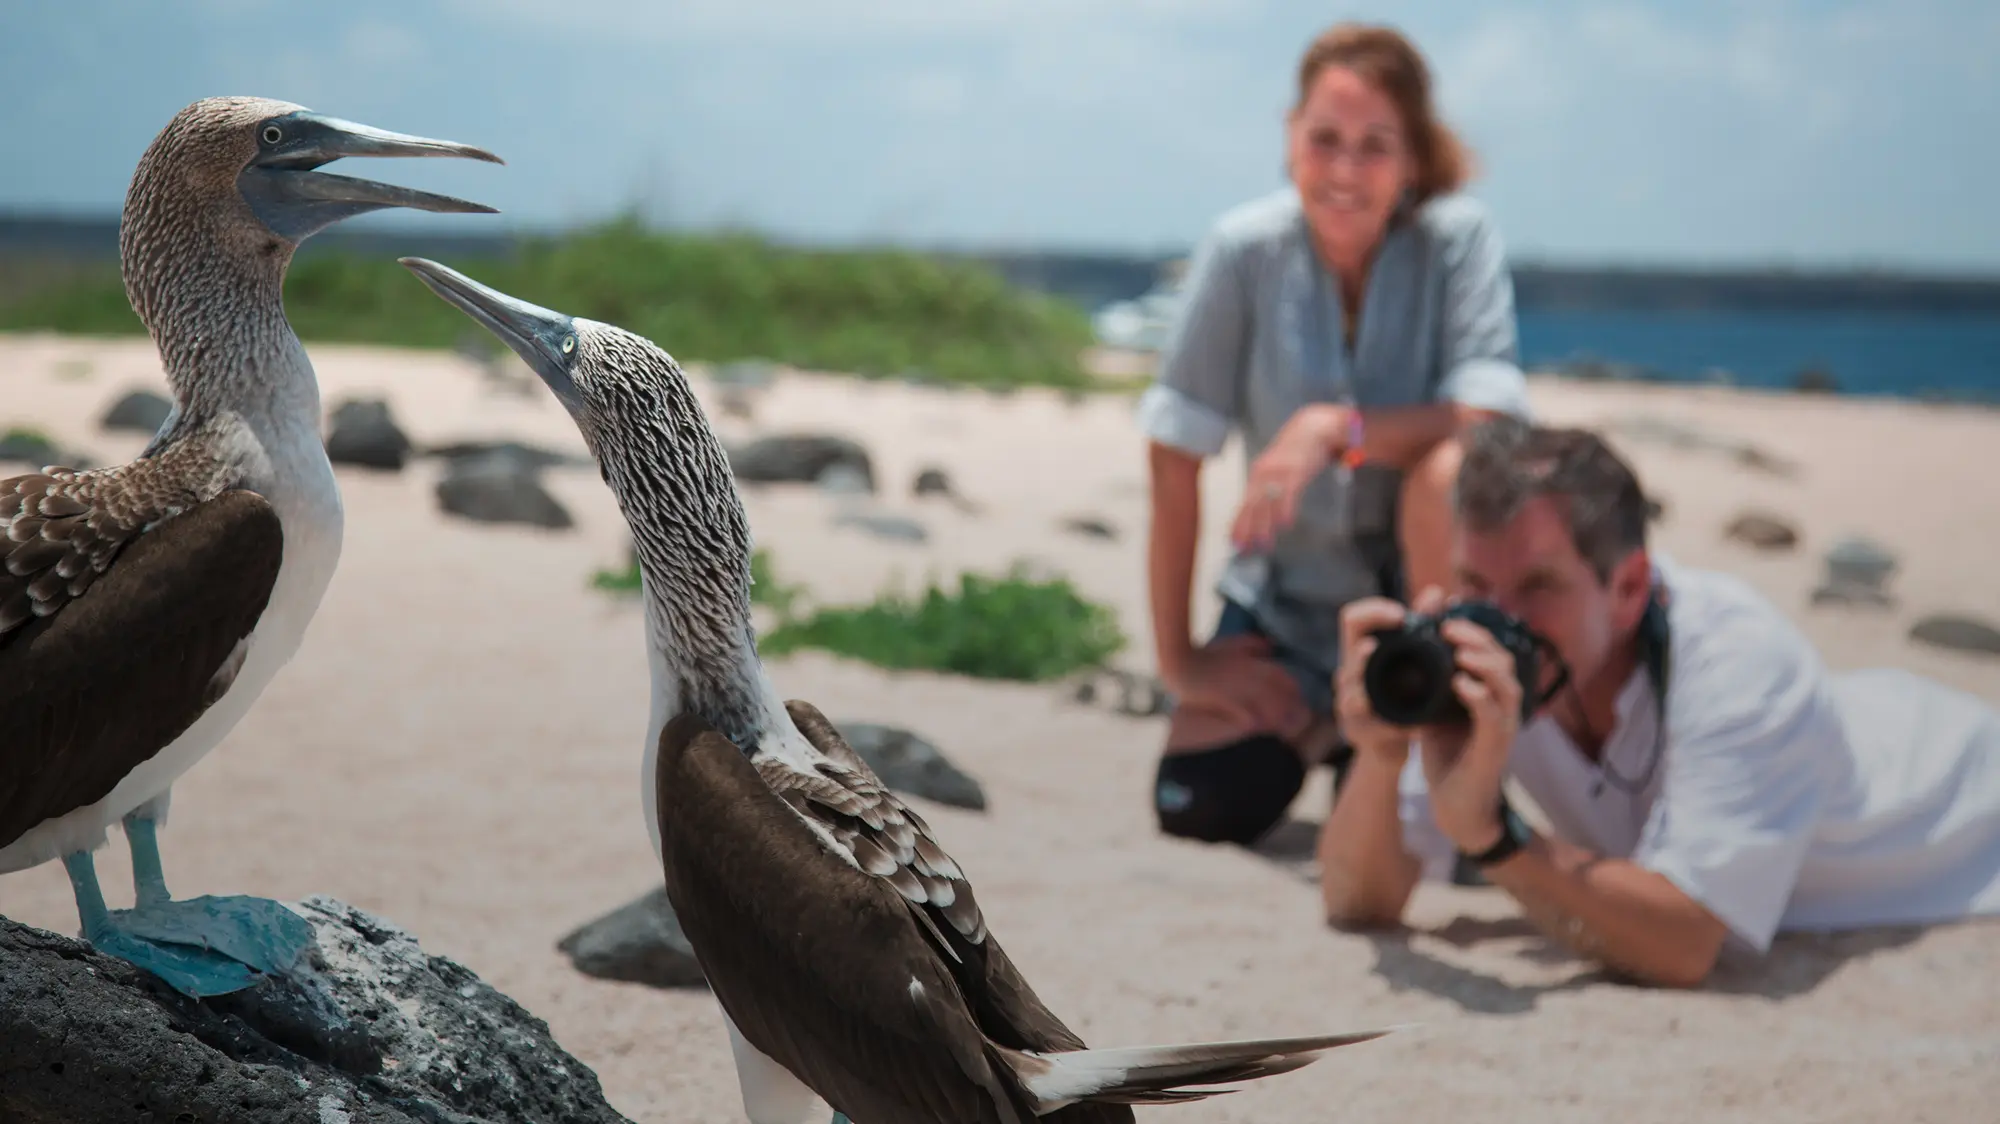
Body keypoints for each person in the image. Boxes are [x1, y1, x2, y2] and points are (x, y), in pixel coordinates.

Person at [1320, 416, 2000, 988]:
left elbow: (1684, 943)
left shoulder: (1739, 662)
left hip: (1963, 795)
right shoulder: (1480, 660)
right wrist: (1382, 755)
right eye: (1473, 582)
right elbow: (1358, 900)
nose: (1502, 621)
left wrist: (1494, 839)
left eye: (1538, 585)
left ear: (1629, 588)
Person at [1138, 22, 1532, 847]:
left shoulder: (1458, 242)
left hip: (1416, 609)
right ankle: (1326, 729)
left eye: (1375, 145)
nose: (1346, 169)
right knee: (1197, 803)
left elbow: (1491, 424)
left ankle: (1429, 714)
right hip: (1283, 608)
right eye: (1326, 139)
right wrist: (1182, 662)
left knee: (1448, 466)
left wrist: (1334, 428)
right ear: (1291, 140)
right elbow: (1174, 454)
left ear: (1414, 158)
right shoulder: (1243, 251)